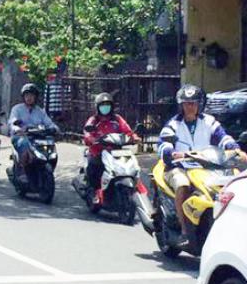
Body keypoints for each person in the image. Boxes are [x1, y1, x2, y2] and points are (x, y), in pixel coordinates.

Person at [158, 84, 247, 247]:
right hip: (180, 166)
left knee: (232, 180)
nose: (190, 107)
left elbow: (223, 137)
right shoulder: (173, 124)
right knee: (182, 185)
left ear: (200, 104)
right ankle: (184, 230)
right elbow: (164, 143)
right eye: (186, 103)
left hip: (207, 166)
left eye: (193, 103)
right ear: (181, 105)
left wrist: (234, 149)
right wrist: (172, 152)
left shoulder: (209, 121)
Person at [83, 93, 141, 205]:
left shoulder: (117, 119)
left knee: (130, 167)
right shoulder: (94, 120)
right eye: (102, 105)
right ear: (97, 107)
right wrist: (91, 139)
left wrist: (134, 137)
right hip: (98, 151)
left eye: (107, 105)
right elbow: (87, 132)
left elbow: (127, 131)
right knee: (94, 167)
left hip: (115, 151)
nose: (105, 108)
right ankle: (95, 191)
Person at [8, 83, 58, 169]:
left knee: (50, 142)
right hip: (21, 136)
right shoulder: (17, 109)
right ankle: (22, 170)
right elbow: (12, 121)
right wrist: (17, 129)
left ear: (36, 97)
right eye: (27, 95)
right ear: (23, 97)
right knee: (24, 143)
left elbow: (49, 123)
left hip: (37, 137)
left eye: (31, 95)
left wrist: (55, 129)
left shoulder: (40, 111)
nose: (29, 98)